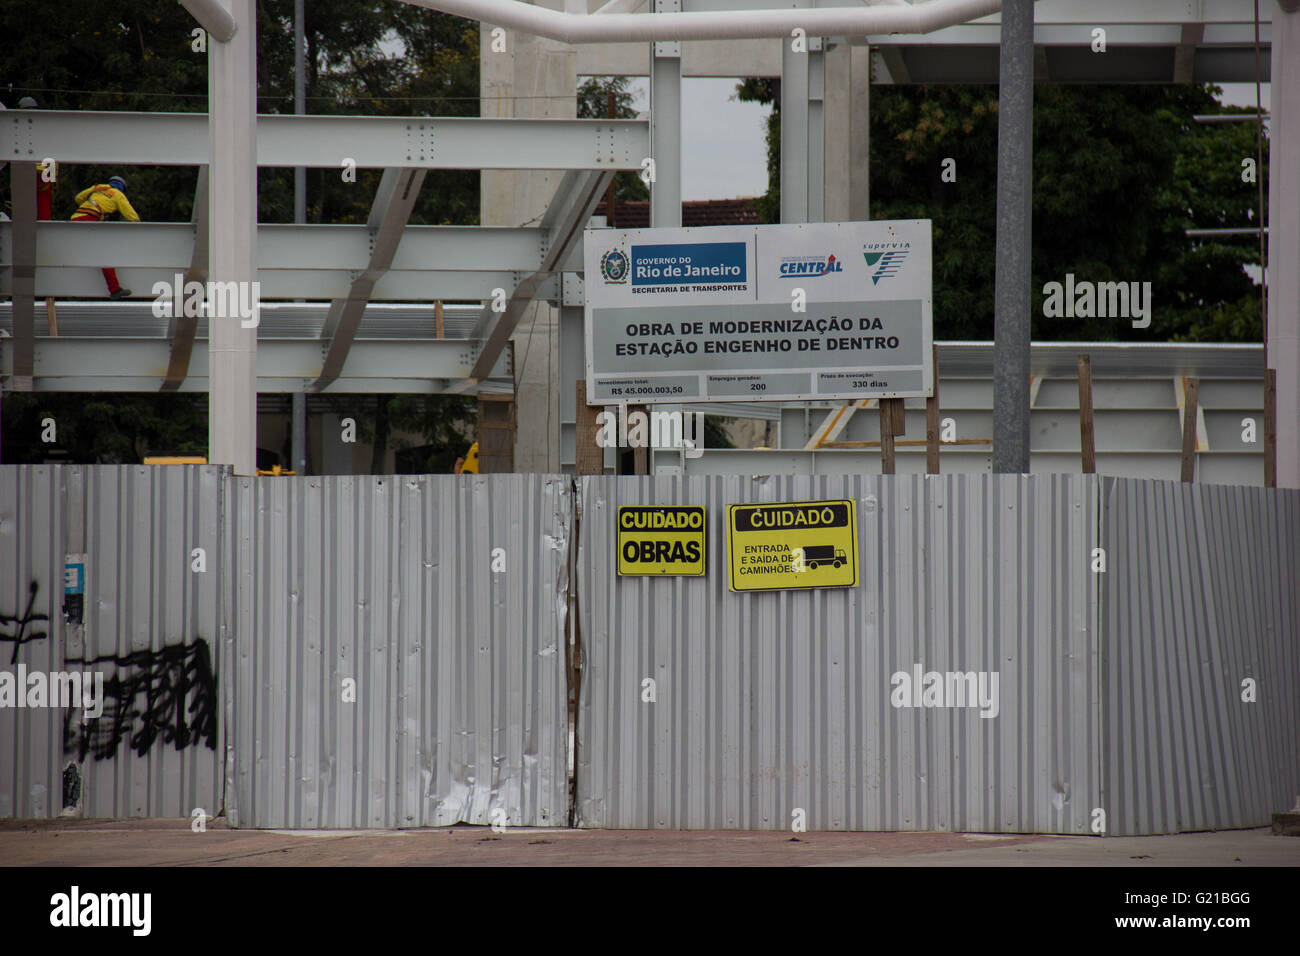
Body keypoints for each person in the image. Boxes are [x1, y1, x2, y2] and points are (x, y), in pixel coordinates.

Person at [71, 175, 139, 298]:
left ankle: (114, 288)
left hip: (76, 218)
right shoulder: (118, 194)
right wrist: (140, 229)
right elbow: (132, 216)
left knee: (98, 252)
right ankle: (114, 289)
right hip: (89, 220)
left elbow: (78, 198)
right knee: (105, 255)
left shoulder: (98, 188)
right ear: (122, 188)